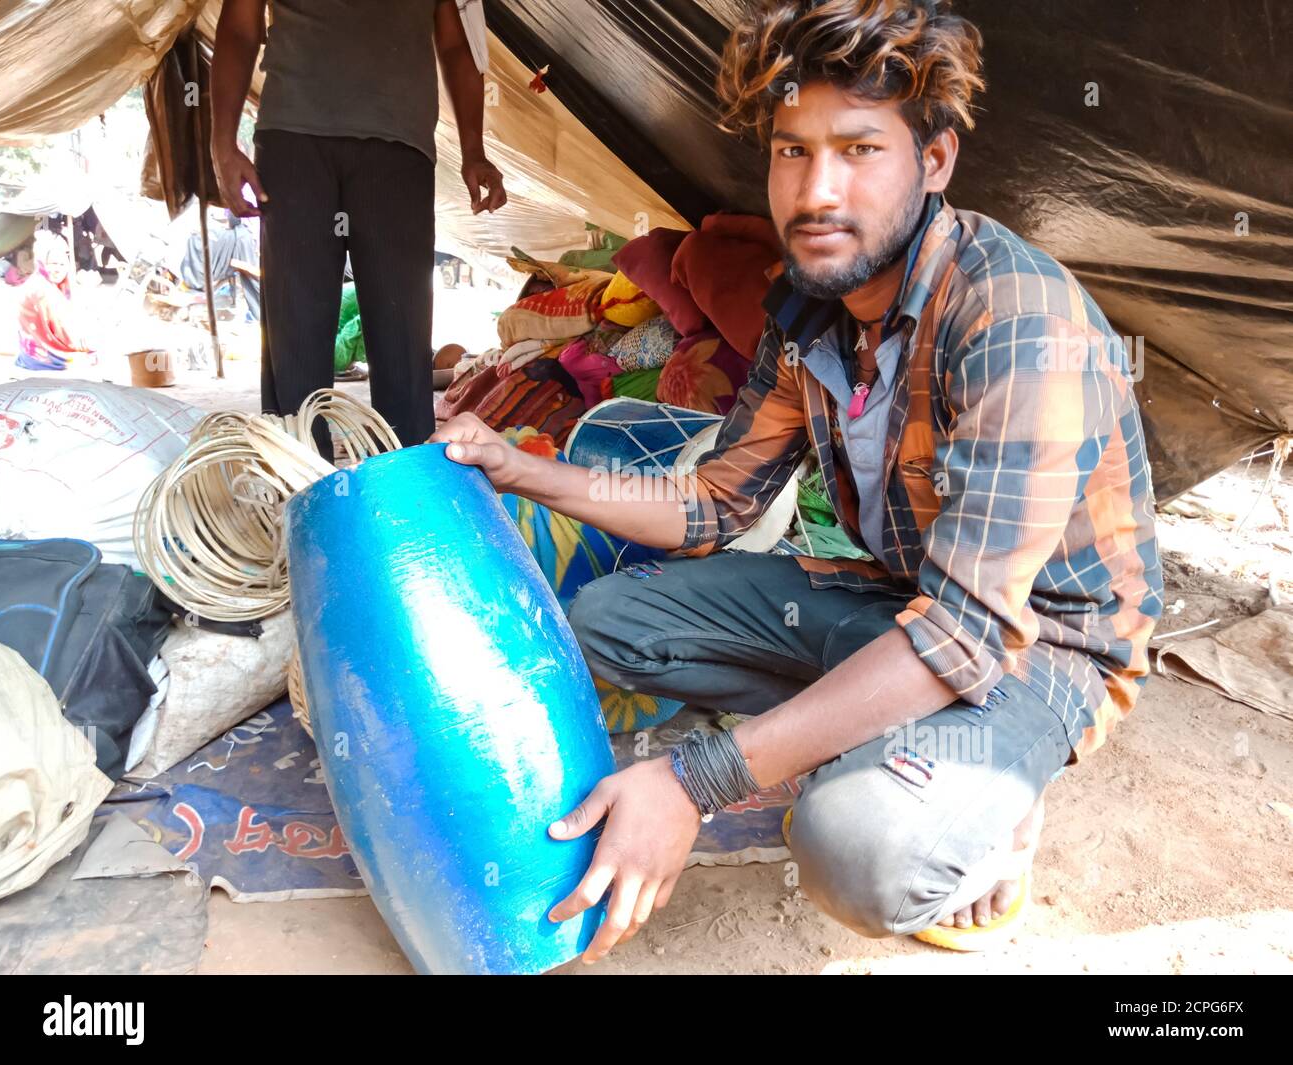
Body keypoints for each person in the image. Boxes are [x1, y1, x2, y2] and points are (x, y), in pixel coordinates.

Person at [432, 0, 1163, 963]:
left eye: (860, 150)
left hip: (1040, 645)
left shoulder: (1012, 316)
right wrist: (520, 466)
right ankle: (888, 735)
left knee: (856, 846)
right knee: (608, 620)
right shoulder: (811, 308)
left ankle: (995, 797)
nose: (818, 191)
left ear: (933, 162)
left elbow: (967, 630)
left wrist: (693, 780)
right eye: (792, 150)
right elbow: (712, 503)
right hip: (897, 603)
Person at [211, 0, 506, 446]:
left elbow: (456, 44)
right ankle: (303, 488)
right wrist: (222, 143)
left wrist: (473, 150)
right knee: (296, 333)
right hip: (295, 141)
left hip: (399, 150)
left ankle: (404, 490)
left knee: (402, 334)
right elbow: (238, 28)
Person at [15, 231, 93, 371]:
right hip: (41, 355)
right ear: (43, 264)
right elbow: (64, 332)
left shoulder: (61, 287)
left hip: (34, 352)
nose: (57, 270)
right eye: (53, 264)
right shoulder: (41, 289)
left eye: (62, 265)